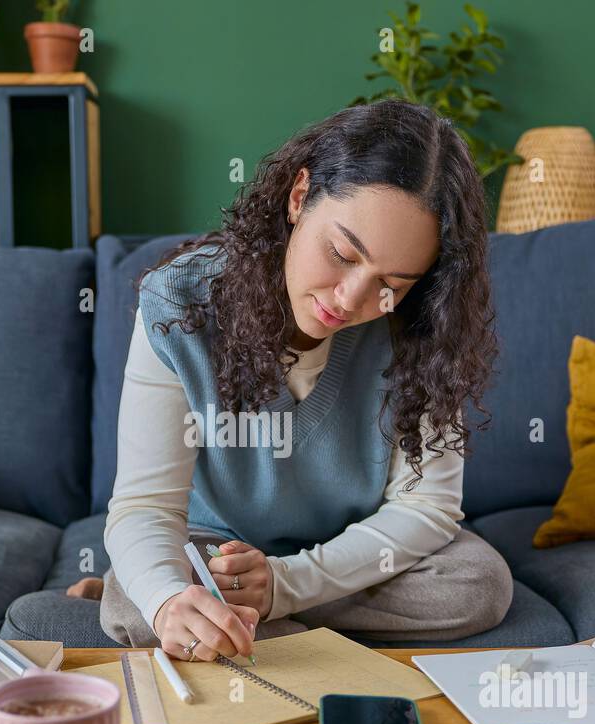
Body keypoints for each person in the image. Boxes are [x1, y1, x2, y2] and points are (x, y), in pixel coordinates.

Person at [72, 99, 512, 661]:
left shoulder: (425, 323)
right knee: (143, 603)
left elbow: (426, 508)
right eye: (341, 253)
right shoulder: (178, 302)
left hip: (353, 547)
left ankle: (249, 625)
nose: (350, 299)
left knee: (476, 583)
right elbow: (145, 508)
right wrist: (164, 599)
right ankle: (237, 619)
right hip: (218, 553)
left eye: (393, 283)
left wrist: (284, 584)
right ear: (299, 197)